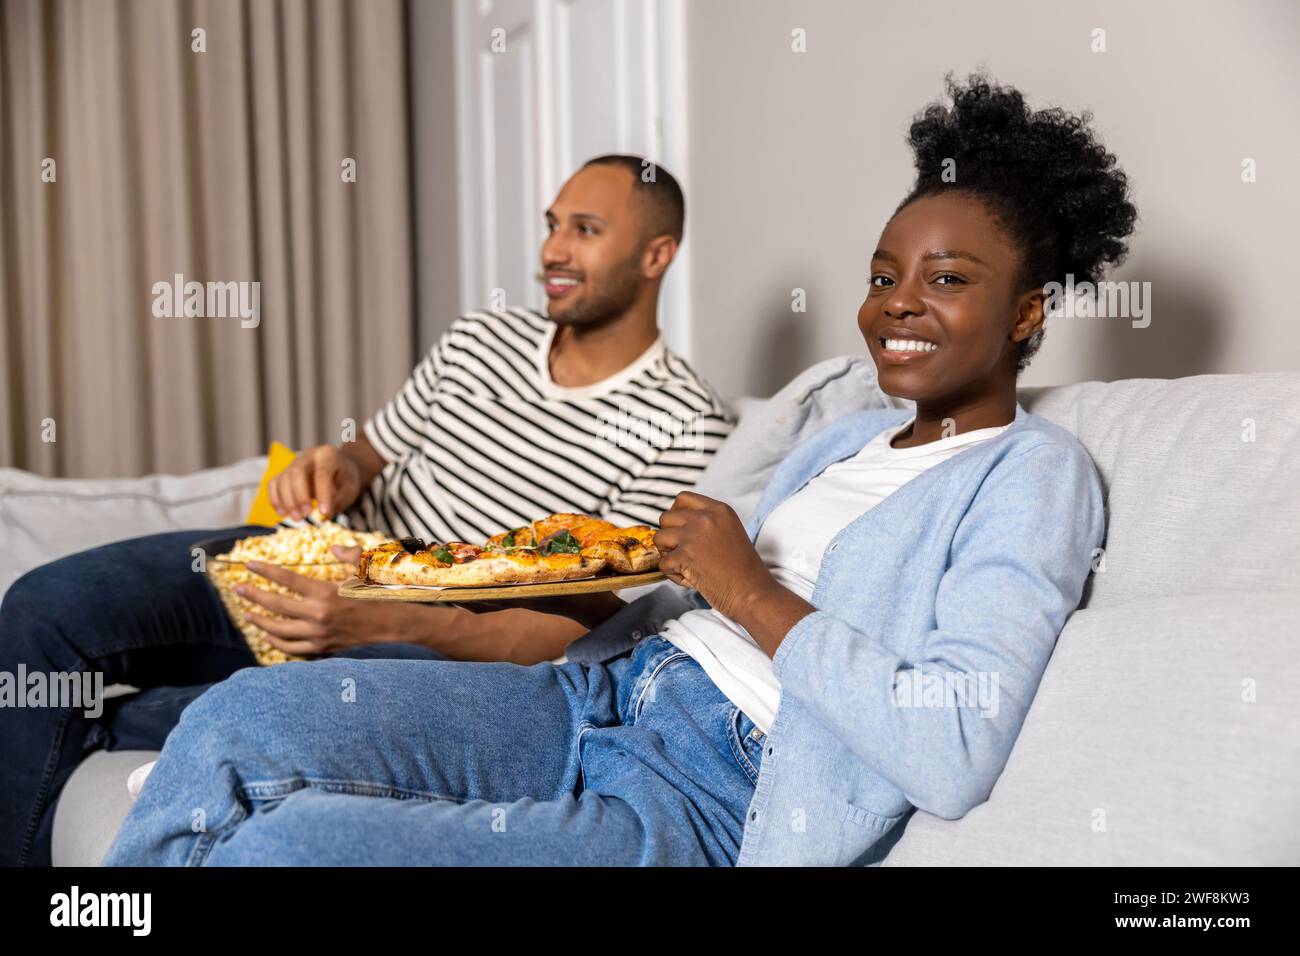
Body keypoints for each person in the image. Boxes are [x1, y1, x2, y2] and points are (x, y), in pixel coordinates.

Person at [103, 73, 1134, 867]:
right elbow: (646, 597)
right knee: (234, 719)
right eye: (881, 276)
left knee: (289, 843)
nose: (898, 302)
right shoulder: (838, 435)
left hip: (710, 784)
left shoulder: (1032, 474)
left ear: (1027, 311)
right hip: (595, 693)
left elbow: (950, 744)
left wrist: (745, 588)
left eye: (946, 279)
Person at [0, 155, 734, 867]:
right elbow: (369, 454)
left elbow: (588, 622)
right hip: (317, 555)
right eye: (551, 224)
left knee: (165, 715)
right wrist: (334, 467)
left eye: (584, 229)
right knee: (40, 611)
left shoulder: (684, 421)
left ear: (655, 254)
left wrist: (381, 616)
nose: (553, 249)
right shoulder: (484, 337)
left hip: (431, 638)